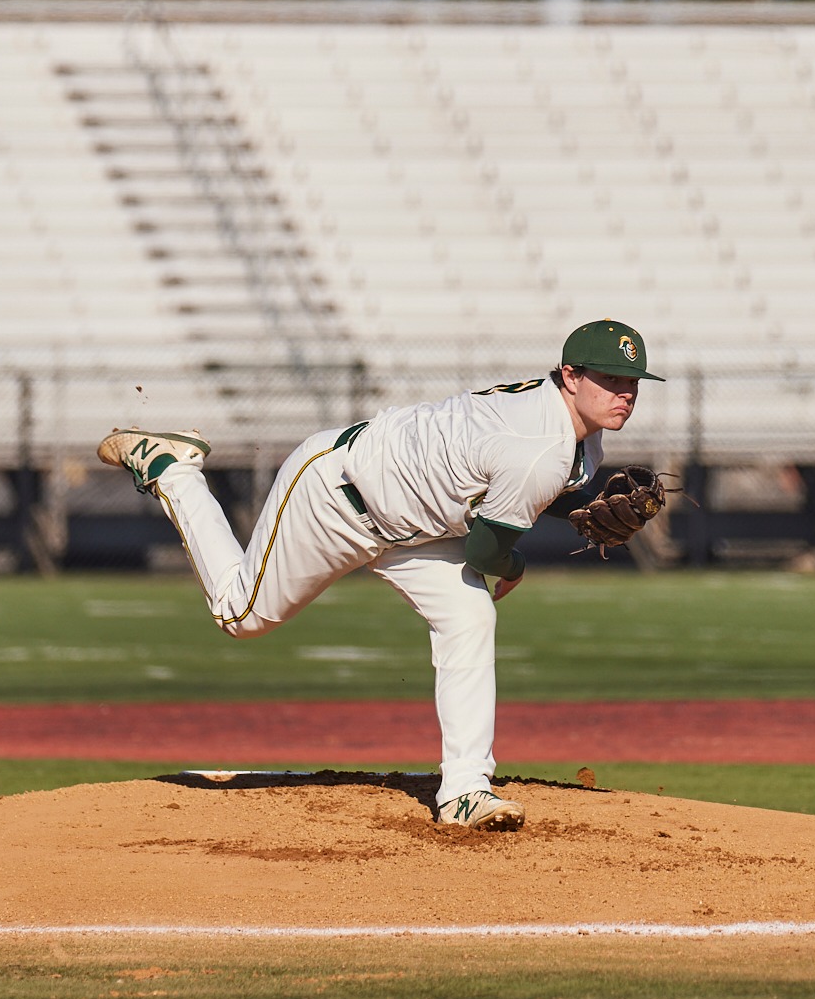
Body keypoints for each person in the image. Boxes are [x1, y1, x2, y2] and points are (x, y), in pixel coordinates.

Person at [97, 320, 662, 831]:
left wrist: (565, 510)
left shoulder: (570, 434)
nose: (625, 393)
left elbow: (517, 485)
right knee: (240, 614)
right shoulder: (540, 445)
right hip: (336, 496)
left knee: (469, 616)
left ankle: (465, 790)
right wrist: (515, 565)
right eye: (611, 379)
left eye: (633, 382)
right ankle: (169, 468)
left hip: (415, 526)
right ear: (570, 376)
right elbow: (490, 548)